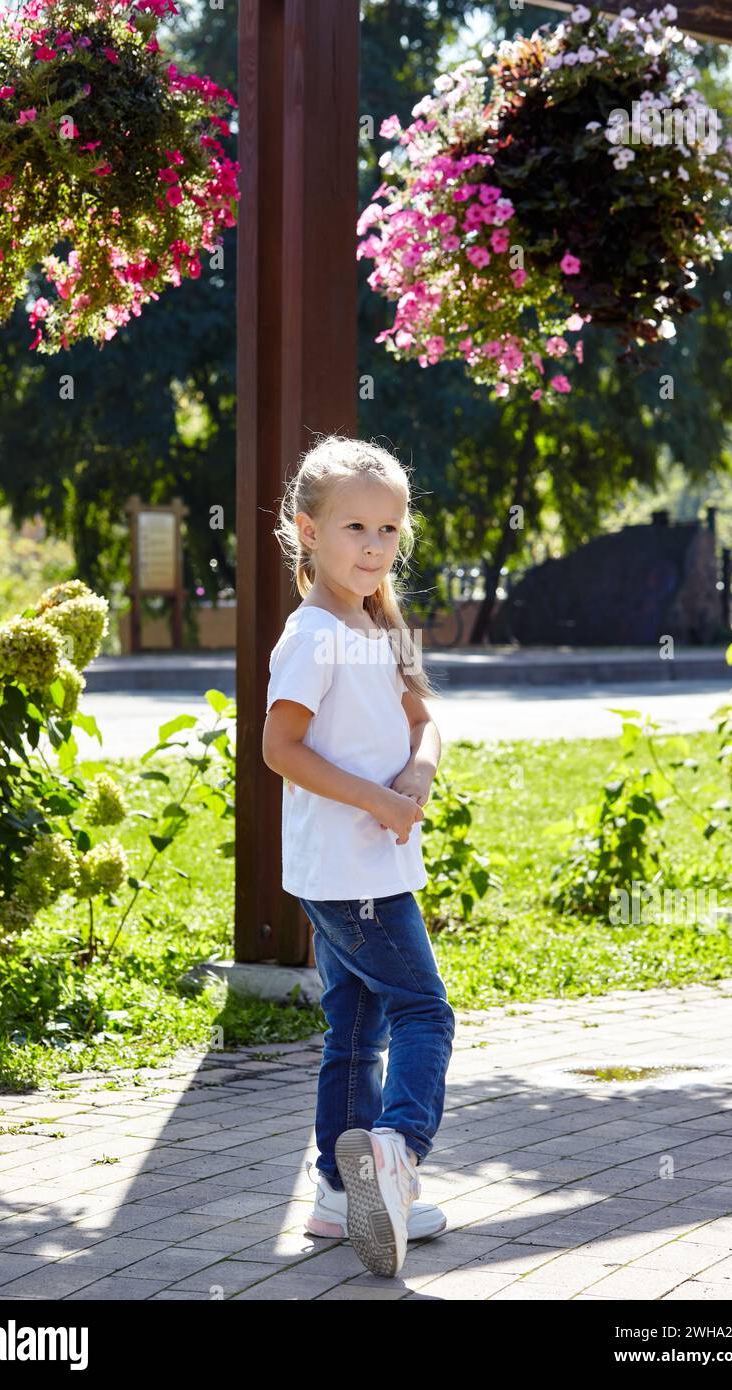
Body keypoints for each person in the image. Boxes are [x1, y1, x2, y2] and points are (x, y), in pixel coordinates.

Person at [262, 434, 456, 1278]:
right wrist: (378, 800)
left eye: (387, 531)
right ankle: (395, 1155)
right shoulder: (311, 636)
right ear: (307, 530)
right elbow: (280, 748)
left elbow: (425, 722)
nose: (373, 548)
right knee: (424, 1012)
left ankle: (340, 1196)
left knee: (356, 1023)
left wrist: (416, 769)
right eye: (354, 529)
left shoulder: (383, 622)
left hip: (363, 870)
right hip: (350, 873)